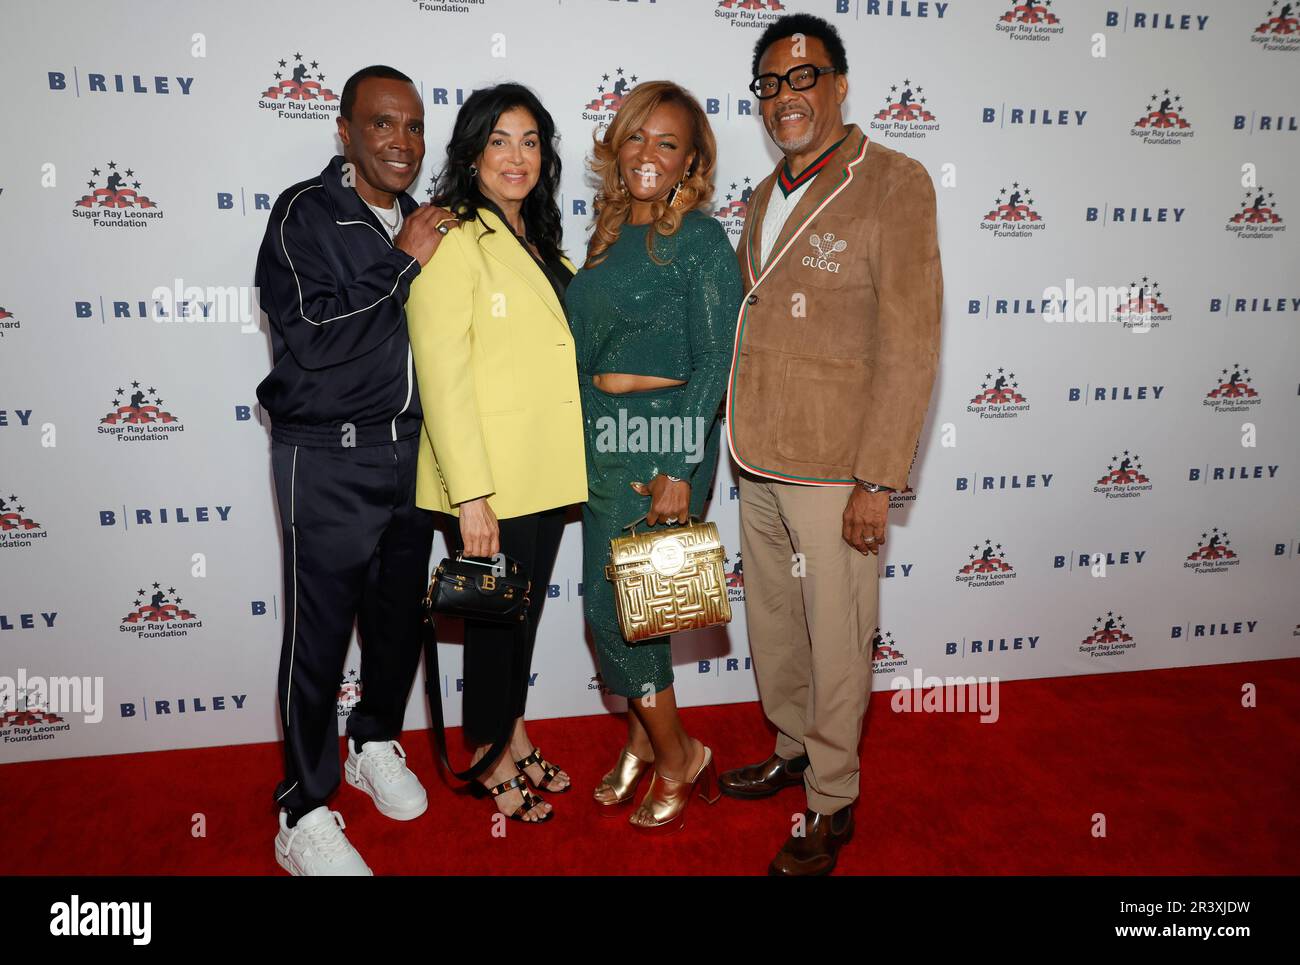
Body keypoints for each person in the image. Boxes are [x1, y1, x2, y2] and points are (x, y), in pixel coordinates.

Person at [721, 14, 943, 875]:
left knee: (840, 634)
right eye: (771, 84)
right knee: (775, 624)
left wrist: (878, 479)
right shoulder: (760, 195)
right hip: (759, 457)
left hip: (839, 468)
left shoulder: (894, 181)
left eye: (802, 77)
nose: (786, 97)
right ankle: (794, 748)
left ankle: (832, 799)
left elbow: (913, 339)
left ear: (841, 84)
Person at [255, 65, 458, 875]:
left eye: (413, 127)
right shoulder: (306, 213)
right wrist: (401, 264)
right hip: (325, 458)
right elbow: (313, 336)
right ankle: (303, 808)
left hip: (410, 458)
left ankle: (375, 738)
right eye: (382, 125)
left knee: (396, 620)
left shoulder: (426, 218)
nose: (402, 143)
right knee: (317, 639)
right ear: (344, 131)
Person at [406, 83, 586, 824]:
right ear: (473, 152)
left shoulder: (540, 241)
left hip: (541, 468)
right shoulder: (453, 237)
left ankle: (513, 728)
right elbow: (442, 374)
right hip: (490, 478)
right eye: (500, 140)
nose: (517, 156)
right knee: (492, 625)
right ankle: (488, 756)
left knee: (521, 618)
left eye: (531, 140)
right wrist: (470, 495)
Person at [566, 81, 742, 831]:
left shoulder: (697, 239)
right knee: (635, 609)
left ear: (690, 161)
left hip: (665, 441)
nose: (648, 155)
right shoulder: (604, 238)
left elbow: (716, 360)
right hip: (605, 443)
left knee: (618, 612)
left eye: (667, 144)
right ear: (616, 145)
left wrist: (679, 462)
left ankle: (680, 754)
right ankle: (642, 739)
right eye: (637, 137)